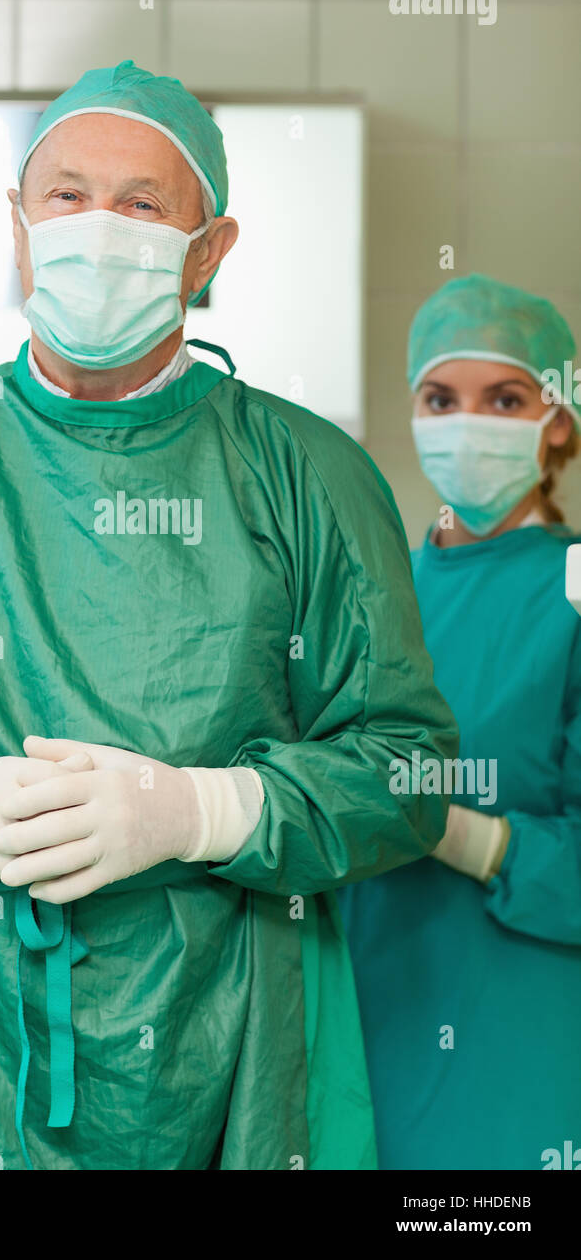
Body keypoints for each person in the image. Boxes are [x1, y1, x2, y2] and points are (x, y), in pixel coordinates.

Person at [0, 62, 456, 1172]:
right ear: (17, 231)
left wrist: (204, 811)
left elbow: (405, 771)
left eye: (142, 204)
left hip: (217, 1050)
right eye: (65, 197)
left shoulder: (307, 476)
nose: (96, 230)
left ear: (208, 251)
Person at [340, 273, 581, 1170]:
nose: (466, 423)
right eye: (442, 398)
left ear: (557, 420)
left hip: (520, 1039)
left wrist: (471, 840)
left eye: (505, 398)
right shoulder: (371, 592)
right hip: (369, 1014)